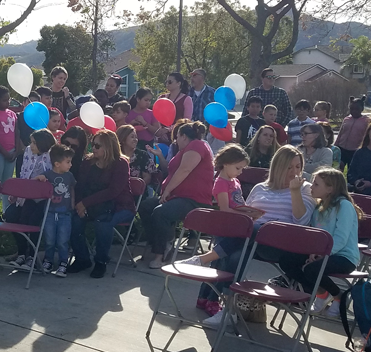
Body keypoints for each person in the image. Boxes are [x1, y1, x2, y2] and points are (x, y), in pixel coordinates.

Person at [201, 145, 316, 328]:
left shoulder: (305, 188)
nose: (294, 171)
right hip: (252, 240)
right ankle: (227, 308)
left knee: (250, 233)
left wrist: (295, 192)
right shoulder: (261, 188)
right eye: (289, 167)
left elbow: (302, 222)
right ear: (278, 167)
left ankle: (204, 261)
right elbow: (246, 216)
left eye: (298, 167)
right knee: (238, 250)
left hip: (282, 244)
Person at [174, 144, 259, 314]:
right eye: (238, 168)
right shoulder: (221, 183)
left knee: (220, 264)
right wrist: (245, 214)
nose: (240, 172)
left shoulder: (234, 181)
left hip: (236, 225)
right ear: (226, 163)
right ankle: (211, 299)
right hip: (226, 228)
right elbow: (225, 209)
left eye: (242, 168)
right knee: (220, 266)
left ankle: (204, 297)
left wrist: (248, 211)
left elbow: (237, 204)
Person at [277, 168, 362, 318]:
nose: (311, 187)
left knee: (311, 269)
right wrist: (312, 251)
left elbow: (341, 238)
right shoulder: (319, 207)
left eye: (316, 184)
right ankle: (322, 293)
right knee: (286, 260)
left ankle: (338, 295)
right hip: (321, 254)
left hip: (344, 256)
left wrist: (322, 254)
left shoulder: (344, 206)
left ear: (330, 189)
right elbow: (314, 235)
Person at [137, 121, 215, 269]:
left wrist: (167, 190)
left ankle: (161, 254)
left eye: (177, 137)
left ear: (184, 136)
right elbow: (170, 171)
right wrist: (160, 155)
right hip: (177, 197)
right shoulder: (182, 151)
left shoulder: (197, 145)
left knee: (161, 212)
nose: (175, 140)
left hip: (193, 200)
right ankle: (158, 243)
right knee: (146, 206)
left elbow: (185, 170)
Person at [65, 130, 134, 278]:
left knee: (103, 223)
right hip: (91, 205)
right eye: (92, 145)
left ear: (108, 147)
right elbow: (80, 186)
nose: (93, 149)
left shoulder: (121, 164)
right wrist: (79, 204)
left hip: (119, 206)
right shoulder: (87, 163)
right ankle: (82, 258)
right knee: (74, 220)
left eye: (97, 146)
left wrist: (85, 203)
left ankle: (101, 261)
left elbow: (113, 191)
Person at [6, 129, 56, 269]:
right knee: (11, 215)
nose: (31, 145)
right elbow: (23, 173)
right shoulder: (28, 152)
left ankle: (33, 256)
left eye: (35, 143)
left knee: (32, 220)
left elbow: (54, 176)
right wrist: (16, 193)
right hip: (26, 195)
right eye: (31, 142)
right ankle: (22, 252)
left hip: (44, 198)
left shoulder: (52, 155)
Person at [37, 143, 77, 277]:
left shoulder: (69, 176)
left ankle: (63, 263)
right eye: (68, 162)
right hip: (49, 213)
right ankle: (48, 260)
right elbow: (36, 181)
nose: (70, 164)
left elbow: (72, 189)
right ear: (57, 163)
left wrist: (72, 204)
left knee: (62, 240)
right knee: (49, 239)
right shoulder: (47, 174)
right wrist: (40, 178)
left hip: (65, 213)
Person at [335, 97, 369, 171]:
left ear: (362, 109)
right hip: (342, 149)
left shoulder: (366, 121)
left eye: (356, 109)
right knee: (338, 169)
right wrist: (336, 145)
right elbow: (341, 133)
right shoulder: (346, 119)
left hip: (355, 151)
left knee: (352, 171)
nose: (354, 111)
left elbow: (367, 137)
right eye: (351, 109)